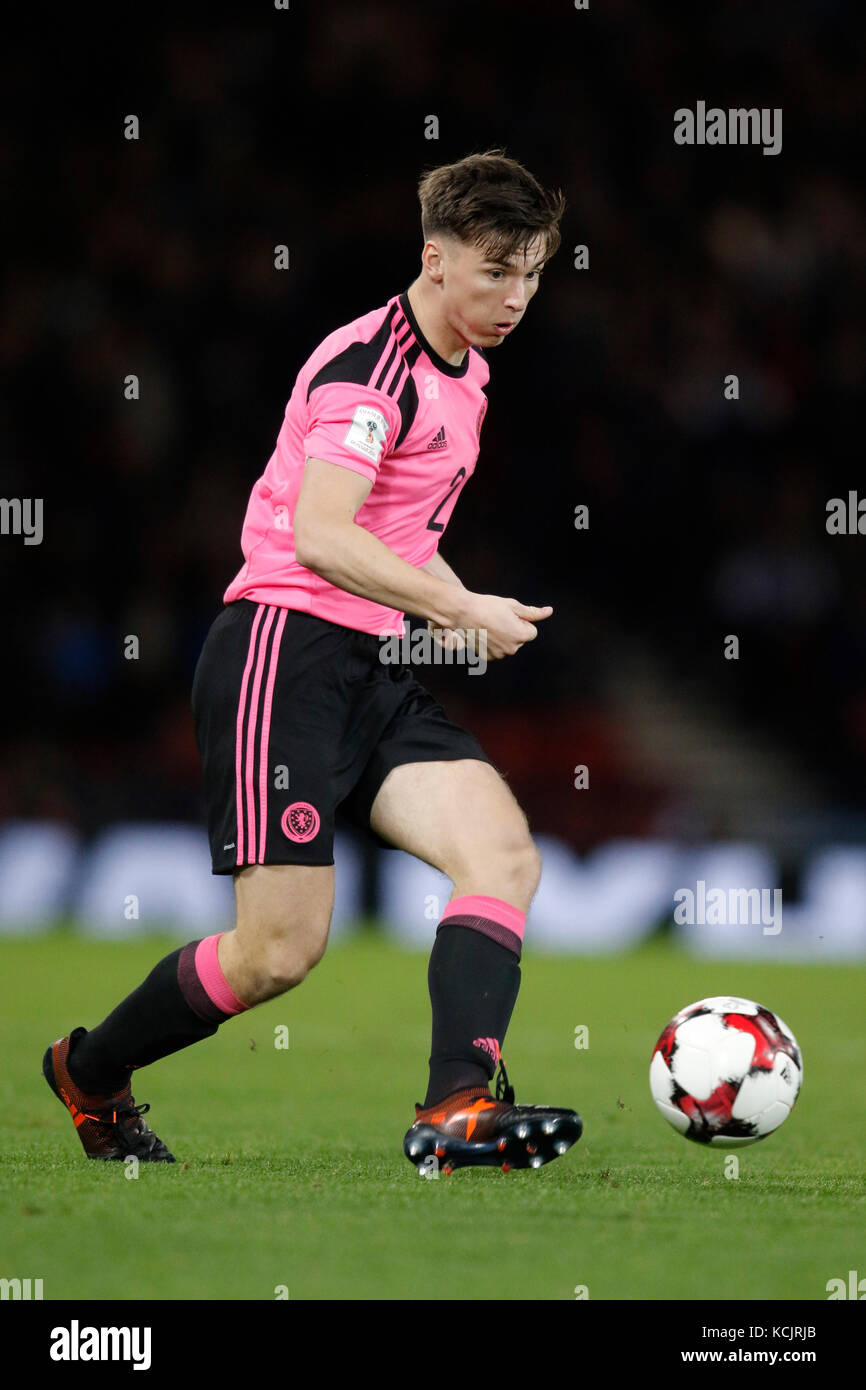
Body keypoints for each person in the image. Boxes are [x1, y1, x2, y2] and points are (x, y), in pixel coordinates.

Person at [44, 148, 581, 1174]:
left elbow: (399, 531)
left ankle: (455, 1107)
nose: (515, 297)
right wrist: (456, 605)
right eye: (493, 271)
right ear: (433, 258)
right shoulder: (367, 371)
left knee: (503, 855)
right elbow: (323, 536)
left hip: (369, 666)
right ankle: (88, 1071)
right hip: (278, 656)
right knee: (278, 953)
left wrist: (453, 604)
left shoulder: (468, 373)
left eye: (532, 274)